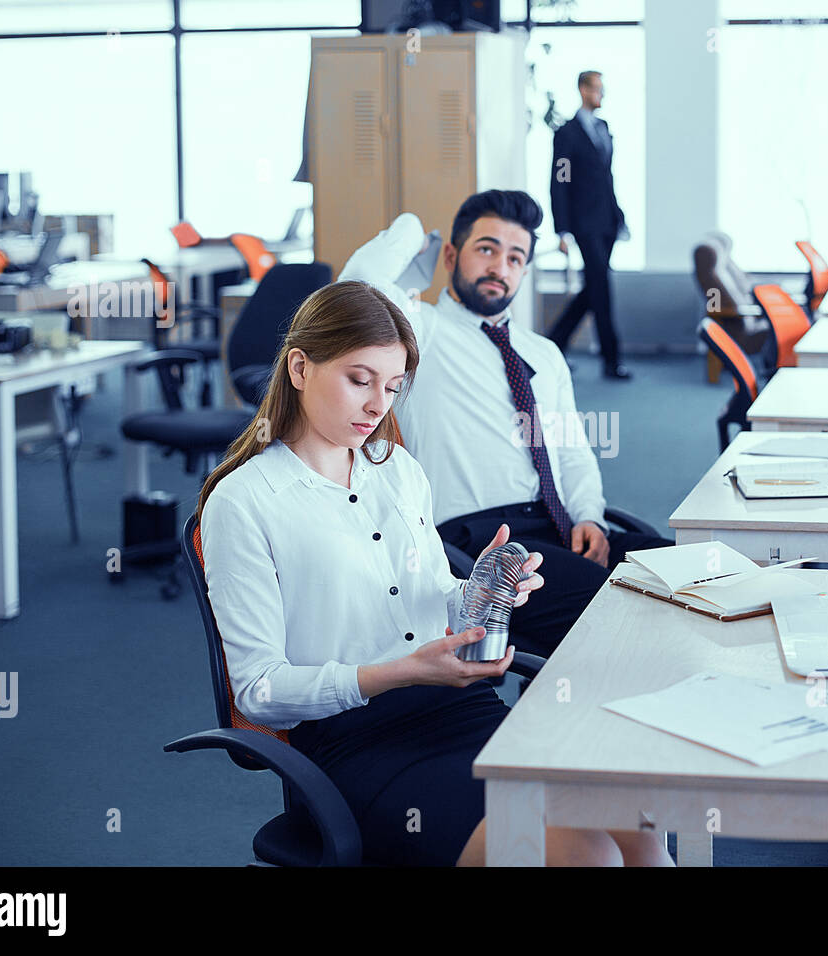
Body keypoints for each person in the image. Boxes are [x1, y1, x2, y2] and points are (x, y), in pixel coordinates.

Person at [197, 281, 671, 867]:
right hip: (358, 744)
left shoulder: (397, 469)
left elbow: (432, 596)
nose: (378, 405)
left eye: (392, 387)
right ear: (299, 368)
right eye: (360, 380)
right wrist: (400, 671)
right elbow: (259, 693)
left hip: (460, 709)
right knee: (586, 855)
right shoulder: (244, 500)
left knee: (641, 830)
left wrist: (482, 592)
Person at [339, 190, 673, 660]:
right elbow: (358, 285)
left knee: (693, 573)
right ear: (451, 256)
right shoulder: (419, 332)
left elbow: (572, 451)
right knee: (622, 607)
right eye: (486, 249)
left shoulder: (544, 353)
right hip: (481, 543)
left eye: (515, 258)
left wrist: (590, 518)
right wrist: (412, 229)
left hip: (558, 528)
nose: (500, 267)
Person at [547, 70, 631, 380]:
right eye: (597, 88)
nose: (602, 94)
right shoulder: (567, 133)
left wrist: (619, 216)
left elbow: (607, 178)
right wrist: (562, 228)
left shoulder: (603, 127)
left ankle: (553, 346)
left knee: (594, 287)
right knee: (601, 286)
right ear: (583, 90)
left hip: (607, 221)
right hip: (583, 223)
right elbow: (560, 181)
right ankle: (612, 360)